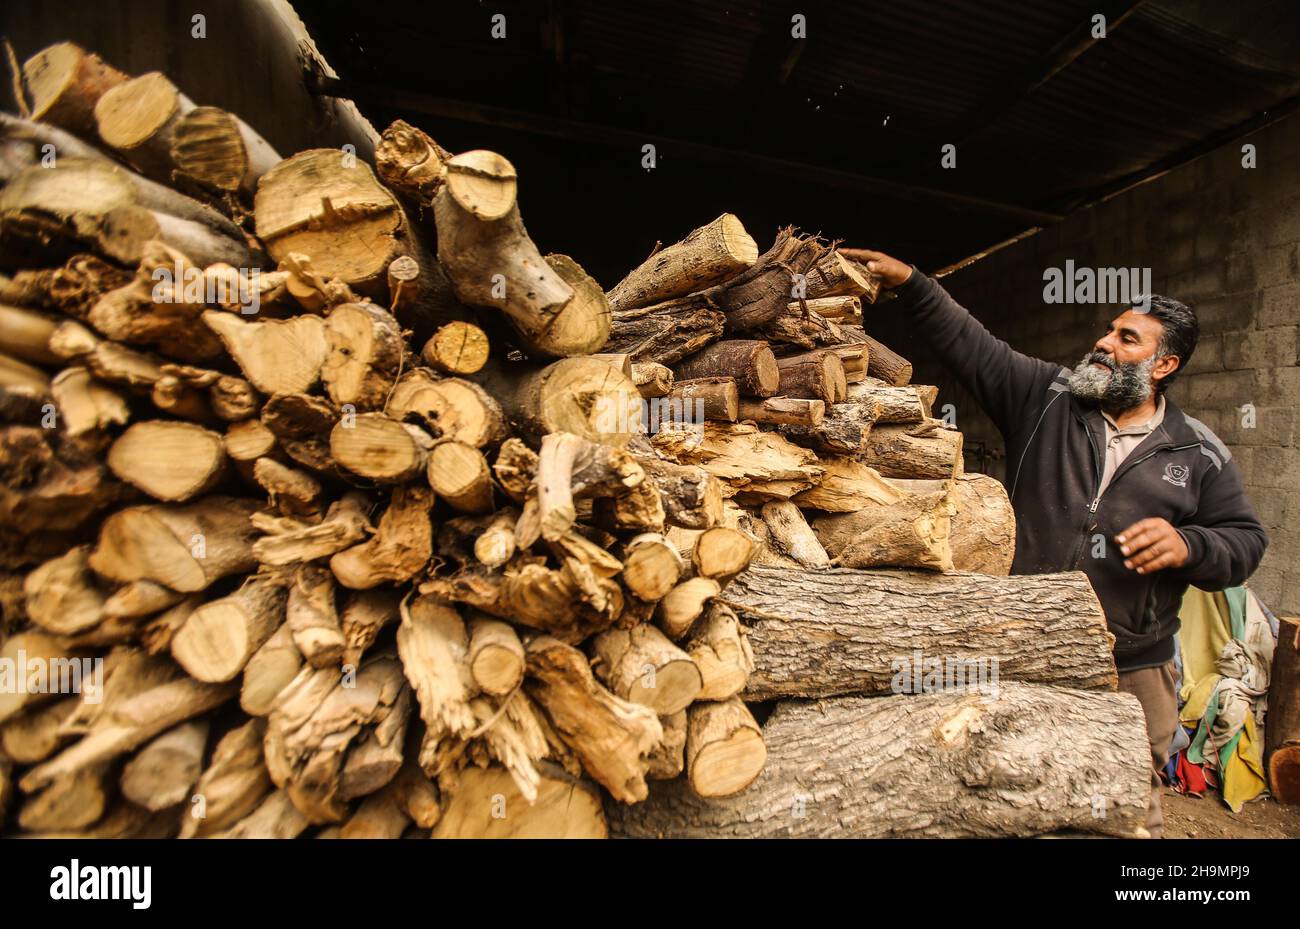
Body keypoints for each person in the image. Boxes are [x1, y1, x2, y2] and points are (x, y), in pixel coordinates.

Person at [843, 249, 1268, 838]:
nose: (1103, 341)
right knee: (1010, 796)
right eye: (1108, 329)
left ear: (1164, 365)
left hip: (1133, 665)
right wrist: (913, 282)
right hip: (1023, 646)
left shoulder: (1198, 452)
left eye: (1126, 338)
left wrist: (1189, 545)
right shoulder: (1045, 397)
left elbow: (1245, 541)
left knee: (1125, 811)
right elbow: (972, 343)